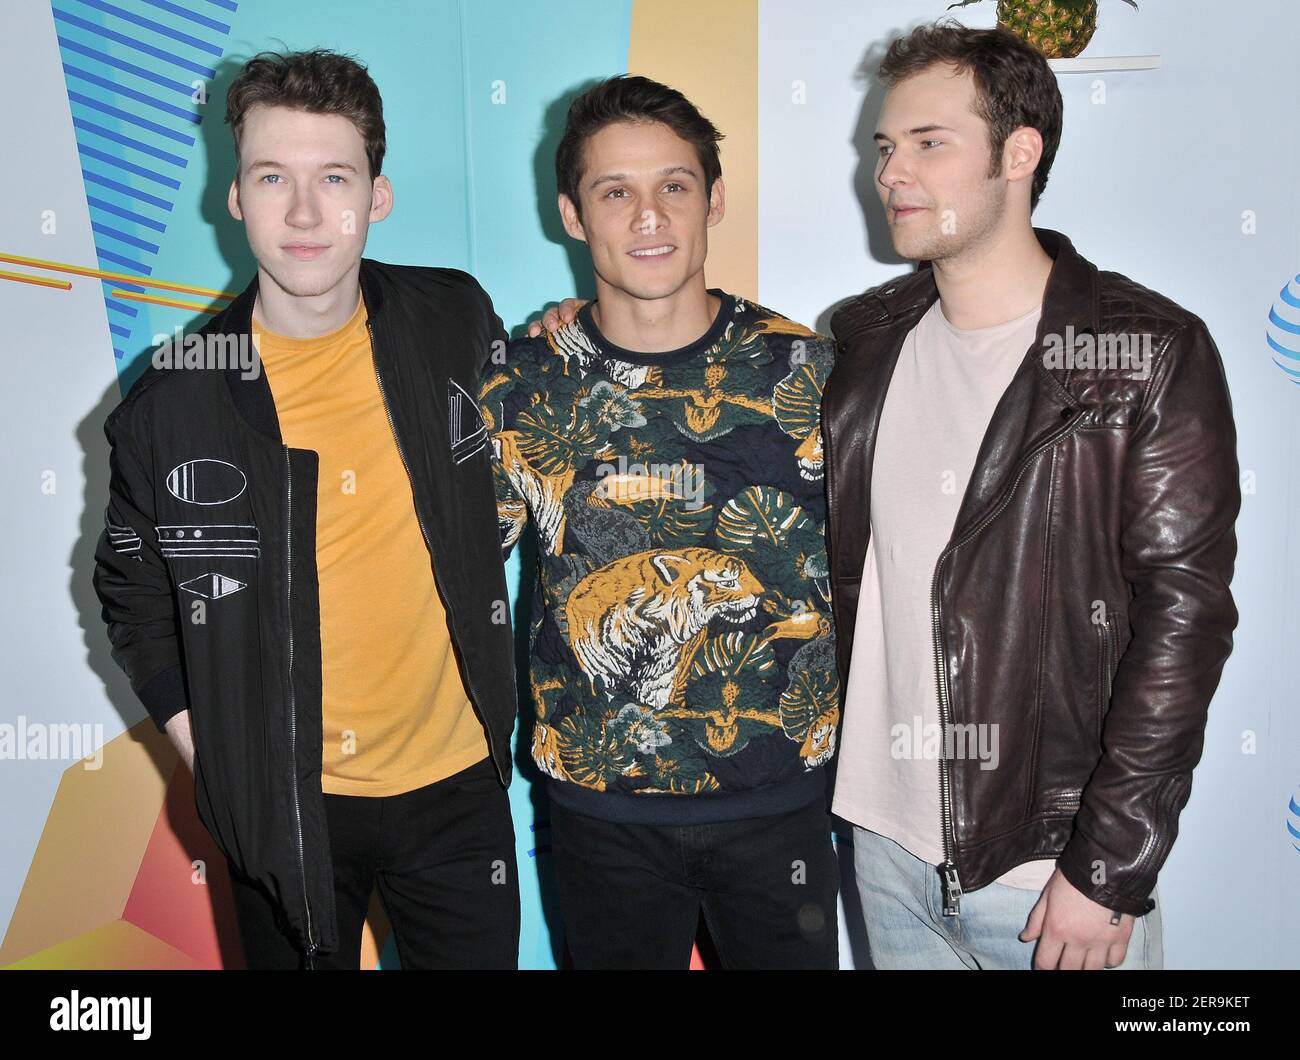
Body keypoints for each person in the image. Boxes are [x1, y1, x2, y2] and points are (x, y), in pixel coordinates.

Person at [822, 22, 1239, 970]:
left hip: (1048, 872)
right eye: (886, 147)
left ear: (1020, 153)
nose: (891, 172)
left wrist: (1108, 868)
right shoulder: (863, 344)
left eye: (929, 143)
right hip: (883, 852)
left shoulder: (1143, 354)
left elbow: (1185, 620)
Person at [92, 49, 520, 969]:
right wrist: (217, 757)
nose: (303, 212)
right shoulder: (171, 403)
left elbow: (533, 426)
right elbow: (131, 594)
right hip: (287, 807)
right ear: (235, 197)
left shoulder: (453, 317)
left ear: (379, 194)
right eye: (271, 177)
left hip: (457, 793)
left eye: (334, 177)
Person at [484, 75, 841, 969]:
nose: (649, 217)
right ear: (573, 214)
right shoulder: (519, 386)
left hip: (783, 801)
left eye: (674, 186)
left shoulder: (811, 372)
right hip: (601, 811)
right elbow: (442, 573)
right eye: (616, 192)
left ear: (713, 200)